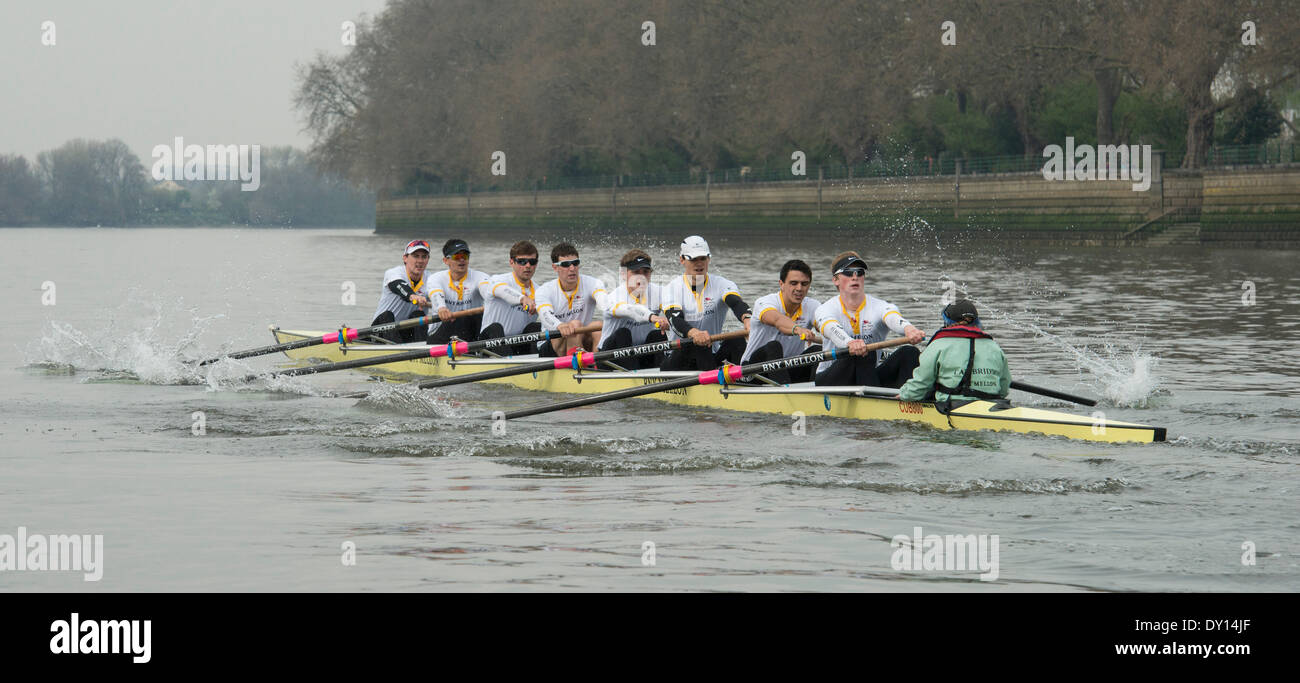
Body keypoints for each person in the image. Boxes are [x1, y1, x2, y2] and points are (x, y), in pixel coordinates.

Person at [812, 251, 926, 387]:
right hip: (831, 379)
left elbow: (893, 318)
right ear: (835, 280)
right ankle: (875, 401)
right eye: (848, 272)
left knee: (909, 352)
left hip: (868, 373)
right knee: (862, 353)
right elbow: (831, 328)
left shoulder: (879, 305)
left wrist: (909, 329)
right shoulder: (825, 309)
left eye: (859, 272)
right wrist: (849, 343)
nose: (855, 277)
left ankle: (908, 400)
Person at [660, 236, 752, 371]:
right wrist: (694, 333)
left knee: (737, 340)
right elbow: (675, 320)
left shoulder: (722, 284)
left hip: (710, 354)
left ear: (708, 259)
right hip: (678, 359)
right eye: (693, 259)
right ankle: (714, 386)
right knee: (698, 343)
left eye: (703, 258)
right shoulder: (671, 288)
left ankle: (745, 380)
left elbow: (736, 303)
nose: (699, 264)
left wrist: (748, 320)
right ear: (682, 260)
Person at [899, 300, 1011, 408]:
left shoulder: (938, 345)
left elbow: (921, 384)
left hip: (952, 406)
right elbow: (1004, 389)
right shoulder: (995, 347)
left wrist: (905, 395)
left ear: (947, 322)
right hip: (991, 404)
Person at [740, 259, 822, 384]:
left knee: (818, 351)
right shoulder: (765, 302)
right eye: (793, 283)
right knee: (774, 346)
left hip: (788, 369)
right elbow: (778, 320)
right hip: (753, 371)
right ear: (781, 284)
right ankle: (786, 392)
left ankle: (818, 392)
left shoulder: (813, 306)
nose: (799, 288)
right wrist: (797, 329)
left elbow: (827, 325)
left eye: (804, 284)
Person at [597, 249, 670, 369]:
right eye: (636, 272)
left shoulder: (659, 292)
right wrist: (653, 317)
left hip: (641, 354)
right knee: (623, 333)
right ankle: (635, 377)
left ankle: (662, 374)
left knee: (657, 335)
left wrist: (671, 322)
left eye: (645, 272)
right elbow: (632, 310)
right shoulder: (612, 298)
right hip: (610, 358)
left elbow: (676, 311)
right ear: (624, 274)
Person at [535, 243, 610, 357]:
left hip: (580, 337)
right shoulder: (544, 290)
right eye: (566, 264)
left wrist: (614, 311)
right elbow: (545, 315)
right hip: (552, 343)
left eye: (575, 263)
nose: (572, 268)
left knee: (598, 326)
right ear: (555, 267)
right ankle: (575, 367)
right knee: (574, 325)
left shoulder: (593, 283)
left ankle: (597, 366)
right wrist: (559, 325)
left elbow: (605, 304)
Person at [477, 241, 542, 355]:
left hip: (518, 344)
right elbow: (503, 290)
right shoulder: (498, 280)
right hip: (488, 343)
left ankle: (539, 361)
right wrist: (523, 299)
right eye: (522, 261)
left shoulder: (540, 291)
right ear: (511, 262)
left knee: (536, 327)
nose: (528, 266)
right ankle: (508, 363)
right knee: (496, 328)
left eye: (532, 262)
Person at [426, 238, 489, 344]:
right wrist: (441, 308)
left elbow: (488, 292)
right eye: (457, 256)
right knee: (461, 319)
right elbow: (436, 294)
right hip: (439, 335)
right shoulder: (436, 278)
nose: (462, 260)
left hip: (470, 333)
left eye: (465, 256)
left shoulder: (481, 277)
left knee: (492, 326)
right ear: (446, 260)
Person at [370, 239, 434, 343]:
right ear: (405, 258)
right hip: (380, 331)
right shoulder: (394, 273)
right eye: (415, 256)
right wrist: (413, 296)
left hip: (406, 333)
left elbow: (440, 294)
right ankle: (397, 351)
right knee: (387, 316)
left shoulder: (431, 279)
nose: (420, 261)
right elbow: (399, 286)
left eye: (424, 257)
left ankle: (422, 350)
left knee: (418, 315)